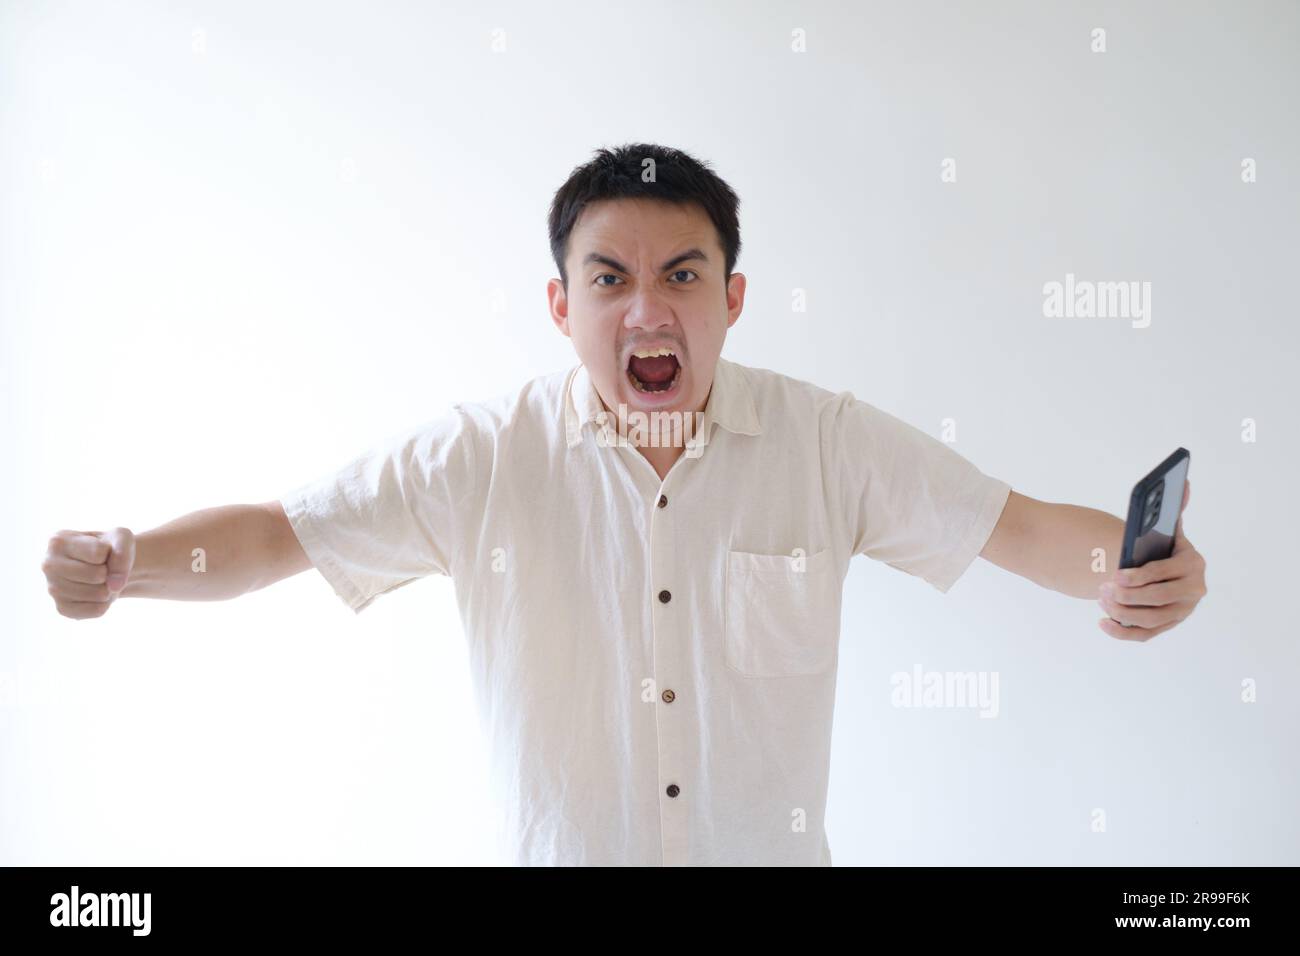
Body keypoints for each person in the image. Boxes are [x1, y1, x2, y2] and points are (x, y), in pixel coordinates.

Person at [40, 143, 1208, 865]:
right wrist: (134, 560)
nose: (647, 309)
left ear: (732, 295)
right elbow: (278, 533)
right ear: (561, 306)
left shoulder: (825, 439)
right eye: (610, 278)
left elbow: (1021, 527)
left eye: (681, 275)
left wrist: (1142, 563)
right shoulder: (480, 456)